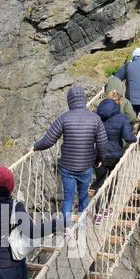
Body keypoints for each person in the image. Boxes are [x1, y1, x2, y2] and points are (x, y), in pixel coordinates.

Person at [33, 85, 108, 223]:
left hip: (67, 167)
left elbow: (49, 141)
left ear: (70, 101)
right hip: (86, 165)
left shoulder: (64, 118)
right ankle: (82, 224)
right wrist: (99, 159)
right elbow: (102, 143)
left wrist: (34, 147)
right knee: (83, 196)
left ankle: (66, 228)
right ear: (83, 99)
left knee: (68, 197)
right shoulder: (95, 118)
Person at [94, 95, 136, 191]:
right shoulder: (122, 118)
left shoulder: (96, 118)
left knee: (100, 182)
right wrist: (135, 138)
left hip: (99, 154)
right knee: (112, 180)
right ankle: (107, 203)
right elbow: (128, 137)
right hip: (115, 155)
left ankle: (97, 204)